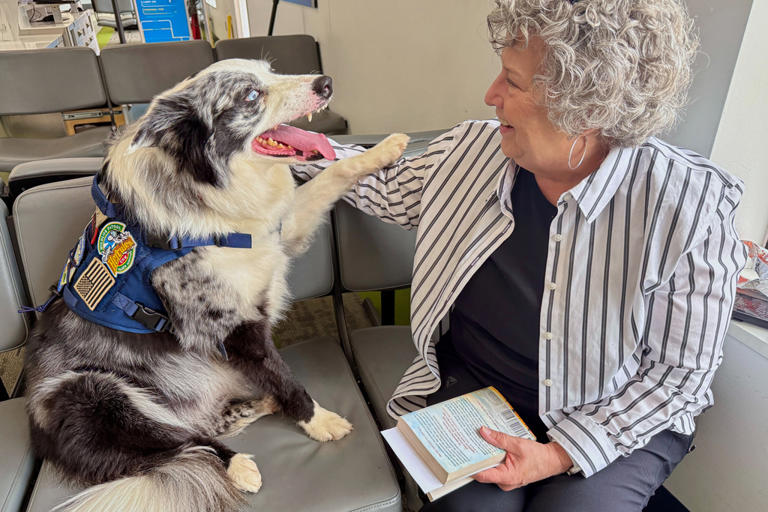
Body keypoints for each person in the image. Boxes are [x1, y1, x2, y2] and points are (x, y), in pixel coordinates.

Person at [293, 0, 747, 510]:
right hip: (480, 394)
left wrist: (557, 454)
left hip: (615, 413)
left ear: (588, 107)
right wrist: (275, 146)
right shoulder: (470, 154)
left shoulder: (692, 206)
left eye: (513, 80)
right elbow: (376, 180)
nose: (491, 95)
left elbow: (678, 378)